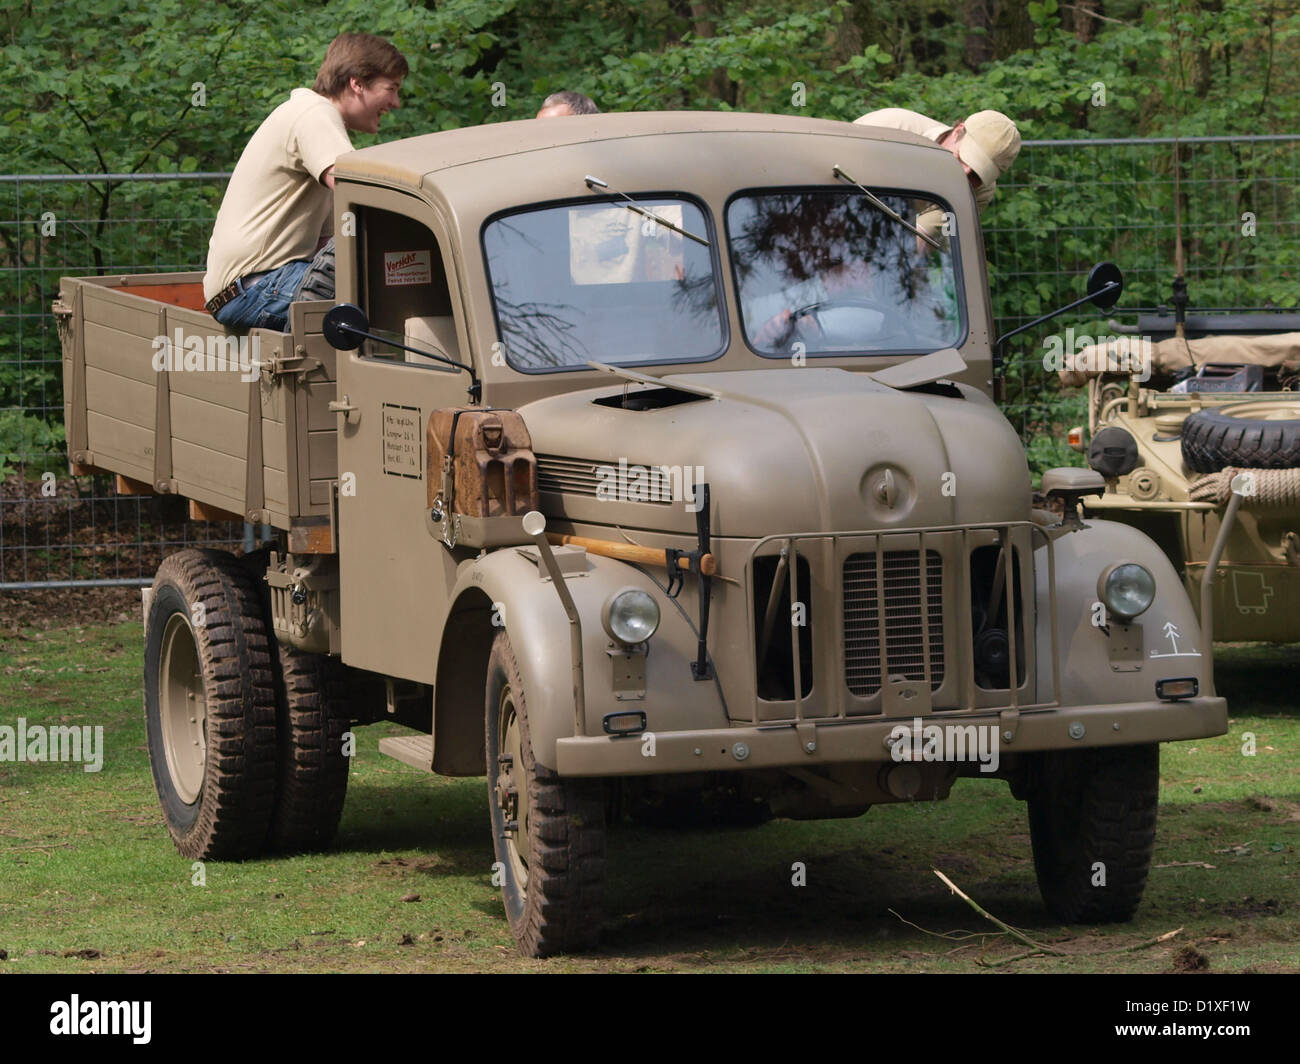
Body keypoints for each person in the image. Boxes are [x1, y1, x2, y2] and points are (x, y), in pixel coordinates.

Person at [203, 33, 409, 332]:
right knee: (390, 291)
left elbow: (329, 243)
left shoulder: (315, 126)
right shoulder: (315, 114)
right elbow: (361, 193)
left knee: (378, 280)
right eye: (391, 88)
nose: (396, 102)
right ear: (357, 83)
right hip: (258, 286)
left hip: (252, 287)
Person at [853, 108, 1021, 211]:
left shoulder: (981, 191)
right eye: (964, 158)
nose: (964, 173)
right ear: (958, 131)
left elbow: (920, 242)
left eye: (977, 174)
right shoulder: (885, 128)